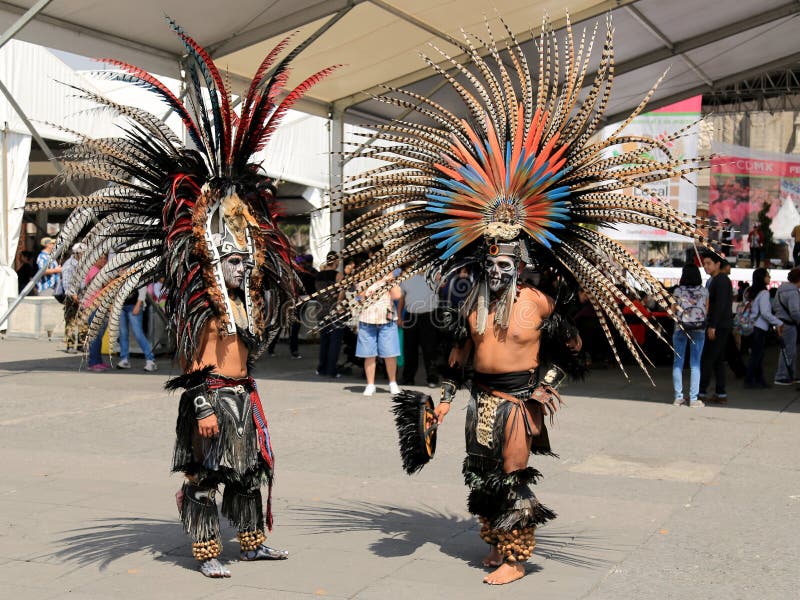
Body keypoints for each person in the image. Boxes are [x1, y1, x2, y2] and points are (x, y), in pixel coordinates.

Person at [314, 14, 710, 586]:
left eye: (508, 253)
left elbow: (573, 350)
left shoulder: (539, 303)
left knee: (513, 473)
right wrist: (445, 401)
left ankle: (516, 558)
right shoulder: (469, 299)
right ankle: (497, 542)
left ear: (523, 255)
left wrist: (546, 384)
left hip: (520, 399)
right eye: (491, 252)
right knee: (480, 474)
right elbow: (457, 357)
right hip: (480, 397)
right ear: (480, 252)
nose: (498, 260)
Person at [33, 24, 333, 577]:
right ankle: (205, 552)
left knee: (250, 471)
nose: (243, 259)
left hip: (244, 395)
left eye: (248, 251)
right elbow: (195, 358)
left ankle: (251, 540)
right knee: (205, 476)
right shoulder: (203, 299)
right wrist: (201, 405)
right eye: (234, 252)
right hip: (210, 397)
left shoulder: (246, 300)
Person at [356, 272, 402, 396]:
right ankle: (370, 384)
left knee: (390, 353)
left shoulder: (390, 277)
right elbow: (360, 295)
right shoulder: (364, 278)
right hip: (367, 318)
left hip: (387, 318)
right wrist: (366, 280)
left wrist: (390, 281)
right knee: (368, 353)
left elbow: (397, 295)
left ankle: (393, 382)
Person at [671, 264, 708, 407]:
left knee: (678, 362)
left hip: (680, 328)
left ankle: (678, 397)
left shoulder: (678, 291)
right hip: (698, 329)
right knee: (695, 363)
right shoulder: (704, 291)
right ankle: (693, 399)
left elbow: (673, 310)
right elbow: (706, 311)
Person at [699, 253, 734, 403]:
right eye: (704, 264)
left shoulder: (721, 281)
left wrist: (712, 326)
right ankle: (721, 394)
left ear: (717, 264)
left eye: (708, 263)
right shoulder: (715, 280)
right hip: (720, 325)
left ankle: (700, 392)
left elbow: (719, 305)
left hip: (718, 326)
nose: (706, 266)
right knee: (718, 360)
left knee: (707, 359)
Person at [742, 268, 782, 389]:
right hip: (759, 327)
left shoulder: (748, 291)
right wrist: (779, 322)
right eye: (767, 276)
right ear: (762, 278)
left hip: (749, 325)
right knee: (757, 355)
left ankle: (758, 379)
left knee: (757, 354)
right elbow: (765, 313)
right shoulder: (764, 293)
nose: (769, 278)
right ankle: (750, 380)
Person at [398, 273, 439, 387]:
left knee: (429, 349)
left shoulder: (434, 275)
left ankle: (432, 379)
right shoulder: (407, 277)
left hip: (429, 317)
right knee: (409, 349)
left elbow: (444, 285)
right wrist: (399, 317)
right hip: (411, 316)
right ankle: (408, 378)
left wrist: (440, 278)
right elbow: (402, 298)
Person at [315, 251, 344, 378]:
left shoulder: (318, 275)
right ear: (336, 261)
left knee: (324, 340)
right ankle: (331, 369)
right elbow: (341, 291)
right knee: (335, 341)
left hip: (320, 310)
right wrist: (339, 304)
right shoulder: (338, 275)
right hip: (333, 310)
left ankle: (322, 368)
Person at [117, 285, 157, 371]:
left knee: (138, 333)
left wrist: (138, 304)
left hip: (134, 305)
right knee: (123, 334)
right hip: (121, 306)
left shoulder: (135, 272)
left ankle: (151, 360)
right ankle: (124, 360)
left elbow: (143, 287)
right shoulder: (118, 272)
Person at [772, 267, 800, 385]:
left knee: (787, 350)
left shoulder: (781, 289)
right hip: (789, 324)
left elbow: (774, 306)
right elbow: (795, 312)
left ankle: (789, 375)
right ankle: (782, 376)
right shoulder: (793, 292)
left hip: (781, 322)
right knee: (789, 350)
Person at [61, 243, 86, 353]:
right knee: (71, 321)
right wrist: (74, 296)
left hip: (82, 295)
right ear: (77, 254)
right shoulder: (68, 265)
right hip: (71, 297)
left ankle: (82, 344)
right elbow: (66, 284)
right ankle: (70, 345)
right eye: (83, 254)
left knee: (83, 321)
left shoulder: (84, 264)